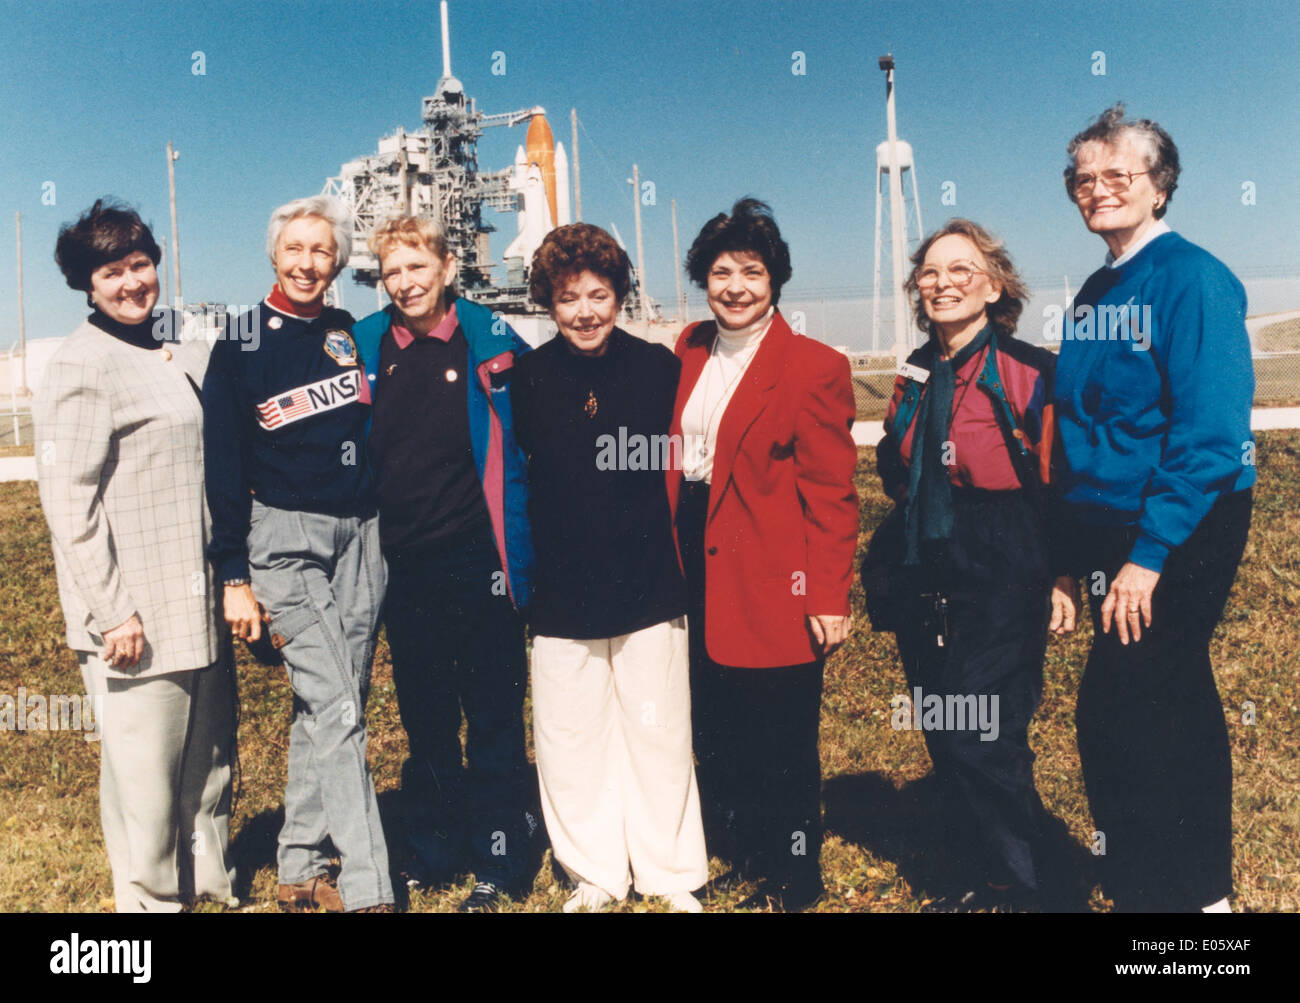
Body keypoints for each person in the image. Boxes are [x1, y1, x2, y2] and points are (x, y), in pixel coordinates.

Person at [1054, 104, 1254, 913]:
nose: (1097, 190)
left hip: (1183, 521)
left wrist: (1150, 552)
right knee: (1115, 712)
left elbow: (1210, 433)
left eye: (1117, 175)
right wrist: (1069, 557)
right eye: (1083, 179)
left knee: (1156, 697)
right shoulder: (1098, 288)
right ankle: (1145, 880)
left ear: (1159, 186)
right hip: (1107, 525)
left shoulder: (1193, 279)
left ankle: (1201, 902)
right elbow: (1075, 431)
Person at [35, 198, 236, 912]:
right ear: (87, 284)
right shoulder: (83, 363)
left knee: (208, 767)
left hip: (195, 597)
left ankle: (207, 887)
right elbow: (68, 500)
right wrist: (112, 610)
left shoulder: (166, 343)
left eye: (141, 264)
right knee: (145, 779)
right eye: (112, 271)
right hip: (134, 614)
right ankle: (150, 906)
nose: (132, 282)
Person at [876, 218, 1074, 910]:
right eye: (930, 272)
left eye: (961, 270)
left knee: (981, 725)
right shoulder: (914, 368)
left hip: (1005, 553)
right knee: (941, 719)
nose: (943, 283)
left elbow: (1060, 478)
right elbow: (890, 460)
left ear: (992, 286)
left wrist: (1062, 574)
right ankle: (981, 868)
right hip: (926, 559)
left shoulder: (1029, 369)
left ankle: (1033, 882)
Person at [203, 195, 394, 913]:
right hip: (283, 540)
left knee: (333, 701)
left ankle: (297, 867)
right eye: (296, 249)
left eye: (322, 251)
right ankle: (373, 886)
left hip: (361, 536)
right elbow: (222, 467)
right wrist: (233, 574)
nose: (308, 262)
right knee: (338, 703)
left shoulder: (347, 331)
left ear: (339, 261)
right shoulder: (241, 337)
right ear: (274, 253)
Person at [511, 223, 709, 913]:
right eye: (569, 297)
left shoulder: (659, 369)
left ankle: (670, 869)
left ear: (620, 295)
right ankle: (593, 868)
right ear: (549, 302)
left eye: (599, 294)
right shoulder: (526, 380)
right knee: (570, 735)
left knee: (658, 730)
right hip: (562, 590)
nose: (586, 310)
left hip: (648, 580)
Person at [668, 198, 858, 911]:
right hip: (694, 549)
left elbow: (834, 491)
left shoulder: (813, 366)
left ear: (775, 279)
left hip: (774, 565)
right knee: (712, 721)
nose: (736, 286)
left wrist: (829, 594)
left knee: (779, 731)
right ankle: (741, 850)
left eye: (751, 271)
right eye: (721, 271)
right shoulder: (688, 348)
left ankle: (794, 877)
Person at [351, 216, 539, 913]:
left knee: (492, 711)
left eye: (417, 266)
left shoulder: (492, 337)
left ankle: (499, 852)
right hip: (404, 565)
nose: (405, 282)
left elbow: (537, 441)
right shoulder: (366, 344)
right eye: (392, 271)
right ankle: (433, 844)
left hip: (483, 560)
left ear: (448, 266)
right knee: (425, 715)